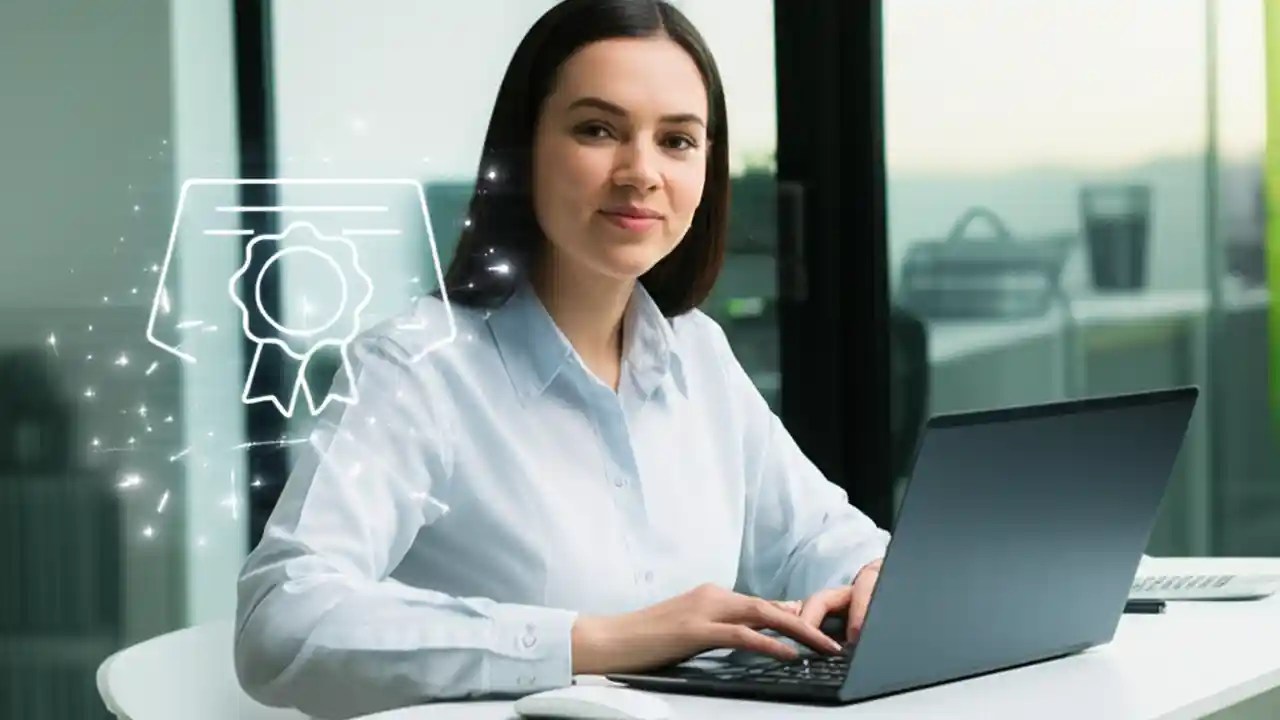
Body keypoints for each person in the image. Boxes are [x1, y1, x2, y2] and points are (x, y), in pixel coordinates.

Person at [233, 1, 890, 717]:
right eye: (598, 130)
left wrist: (873, 574)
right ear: (522, 153)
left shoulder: (696, 351)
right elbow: (281, 621)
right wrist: (593, 641)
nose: (641, 173)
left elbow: (817, 536)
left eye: (677, 141)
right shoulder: (418, 368)